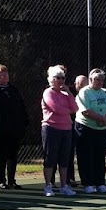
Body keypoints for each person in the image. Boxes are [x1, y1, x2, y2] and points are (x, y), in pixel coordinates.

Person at [0, 64, 28, 190]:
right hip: (1, 130)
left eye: (6, 74)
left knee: (13, 155)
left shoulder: (14, 90)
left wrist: (23, 123)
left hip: (15, 129)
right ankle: (1, 180)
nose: (5, 76)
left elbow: (21, 107)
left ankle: (11, 180)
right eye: (2, 74)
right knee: (1, 155)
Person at [75, 68, 106, 193]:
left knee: (100, 156)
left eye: (102, 80)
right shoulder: (84, 92)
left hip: (102, 129)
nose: (100, 82)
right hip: (85, 128)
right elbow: (85, 111)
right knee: (86, 156)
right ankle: (88, 184)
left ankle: (100, 183)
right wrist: (101, 118)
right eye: (97, 80)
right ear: (91, 79)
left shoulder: (104, 92)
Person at [41, 65, 76, 197]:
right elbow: (56, 108)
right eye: (58, 78)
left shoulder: (66, 94)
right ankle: (48, 186)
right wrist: (68, 110)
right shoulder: (48, 92)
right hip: (51, 128)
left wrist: (69, 94)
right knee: (50, 158)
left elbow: (75, 108)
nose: (61, 80)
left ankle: (64, 186)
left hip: (66, 129)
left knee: (64, 159)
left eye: (62, 78)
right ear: (51, 79)